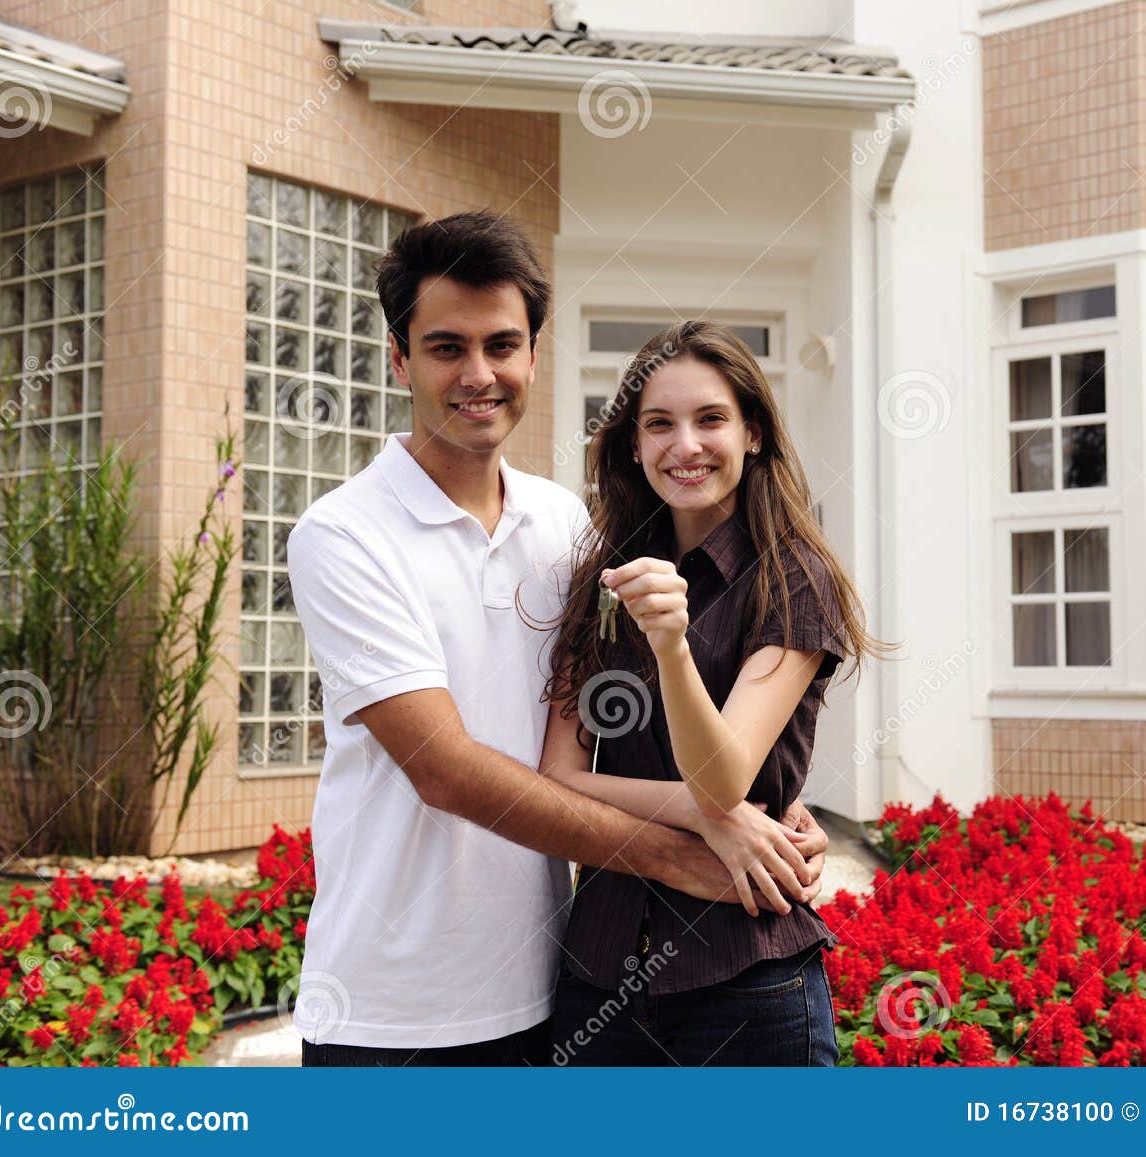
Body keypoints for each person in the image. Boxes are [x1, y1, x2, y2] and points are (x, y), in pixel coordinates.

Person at [286, 214, 829, 1067]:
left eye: (502, 344)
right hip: (393, 1011)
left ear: (534, 355)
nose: (479, 374)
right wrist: (694, 845)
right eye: (445, 347)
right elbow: (444, 768)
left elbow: (633, 735)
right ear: (399, 358)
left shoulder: (566, 524)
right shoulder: (345, 535)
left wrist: (762, 809)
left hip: (553, 987)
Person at [538, 321, 886, 1066]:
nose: (683, 445)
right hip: (599, 982)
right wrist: (705, 817)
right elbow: (558, 778)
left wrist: (671, 645)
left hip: (747, 983)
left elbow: (723, 774)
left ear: (753, 432)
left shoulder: (794, 580)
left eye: (711, 419)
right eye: (658, 423)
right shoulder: (598, 581)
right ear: (632, 444)